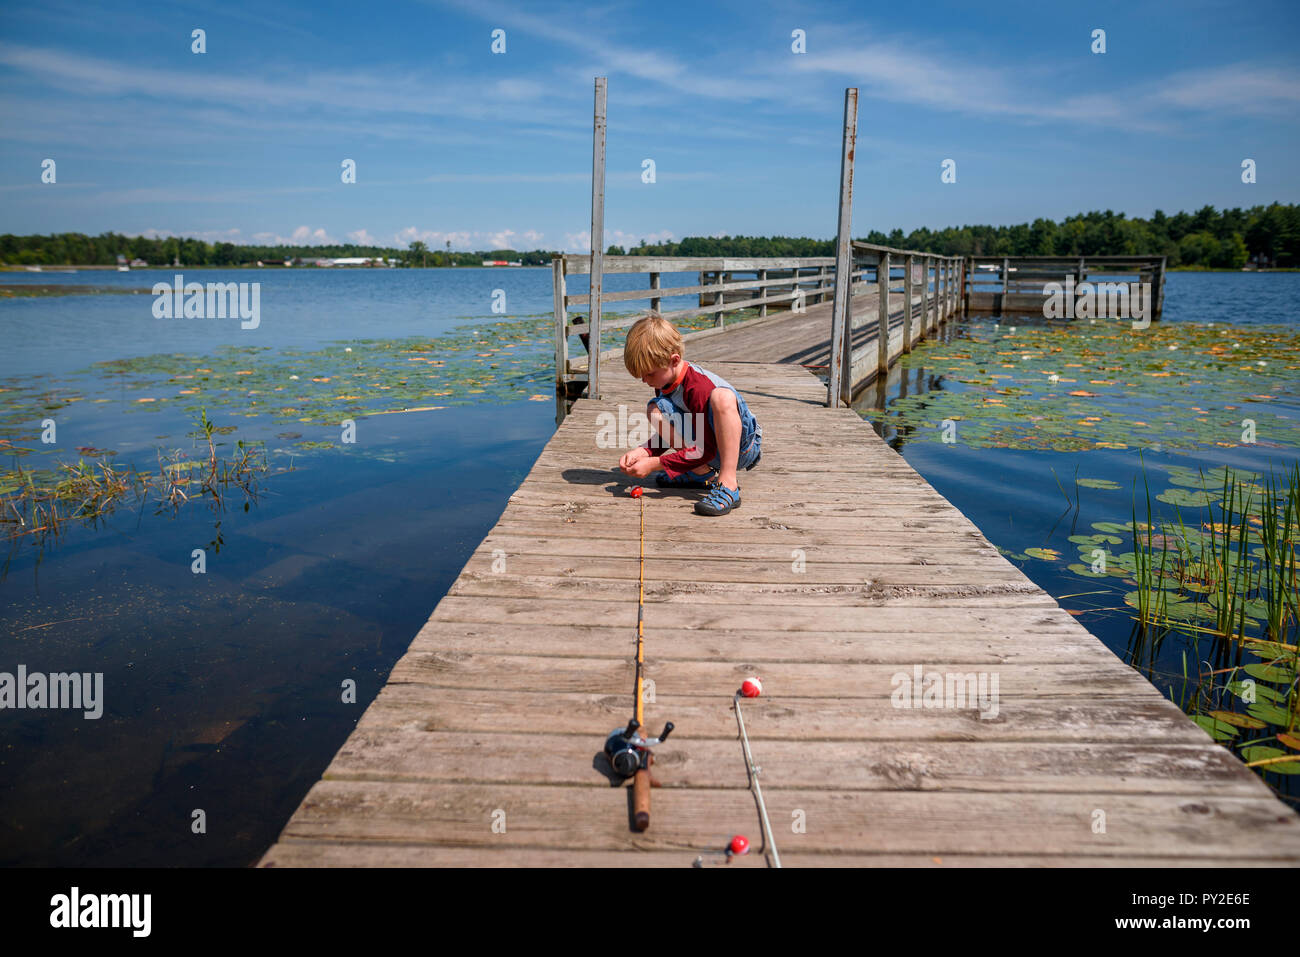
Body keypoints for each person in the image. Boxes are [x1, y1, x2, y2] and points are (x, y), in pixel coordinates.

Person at [617, 313, 761, 516]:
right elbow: (680, 428)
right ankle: (698, 474)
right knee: (657, 408)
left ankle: (728, 483)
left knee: (721, 397)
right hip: (708, 446)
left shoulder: (698, 387)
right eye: (642, 375)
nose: (645, 381)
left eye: (649, 374)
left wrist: (655, 465)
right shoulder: (666, 382)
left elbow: (705, 451)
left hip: (742, 448)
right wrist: (645, 451)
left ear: (674, 360)